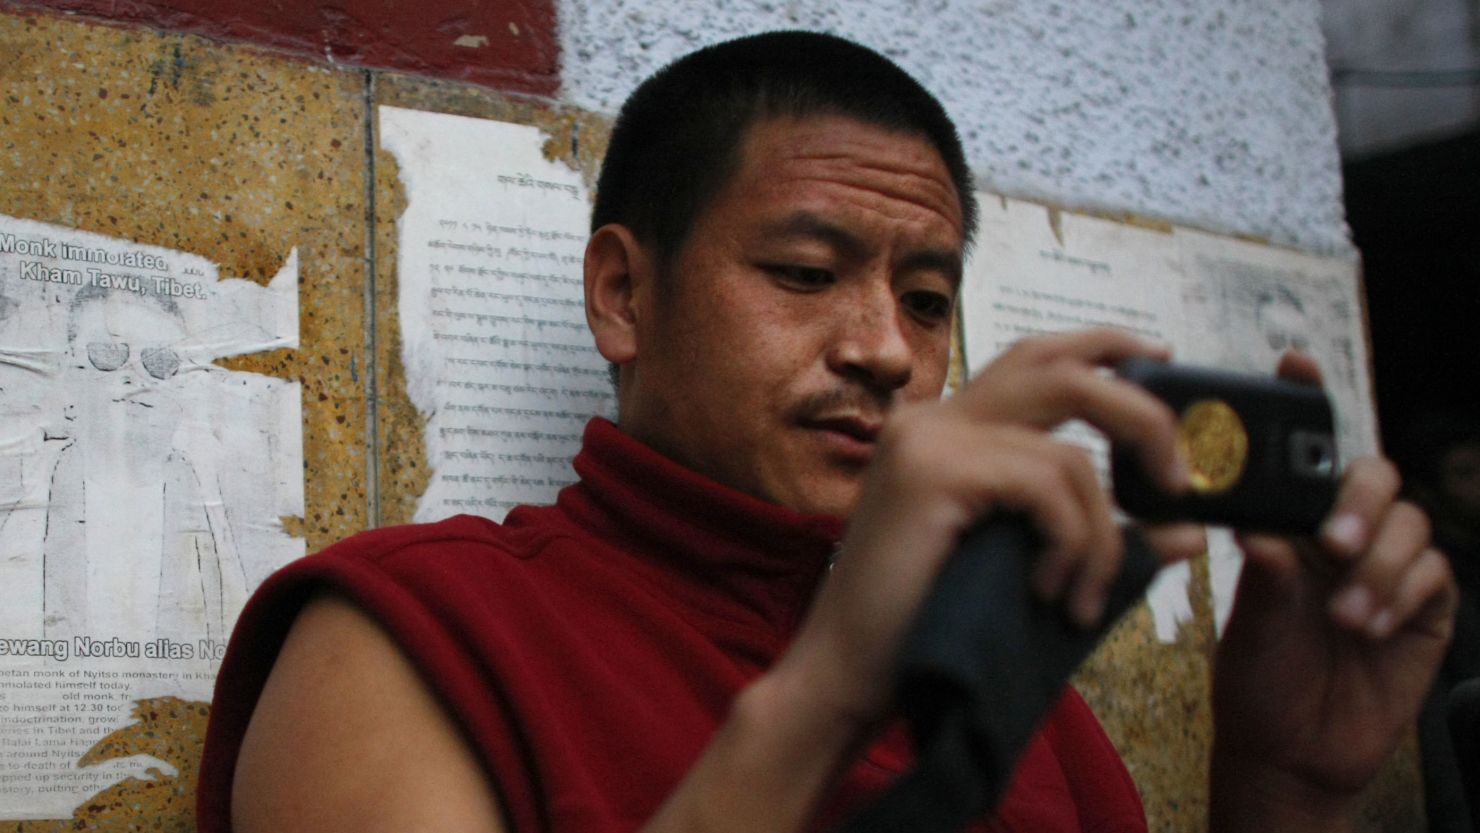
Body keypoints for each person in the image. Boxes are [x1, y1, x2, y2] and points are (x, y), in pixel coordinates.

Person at [198, 31, 1456, 833]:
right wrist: (826, 697)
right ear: (622, 294)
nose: (885, 348)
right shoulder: (412, 633)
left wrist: (1285, 788)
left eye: (925, 299)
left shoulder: (1010, 698)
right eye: (804, 271)